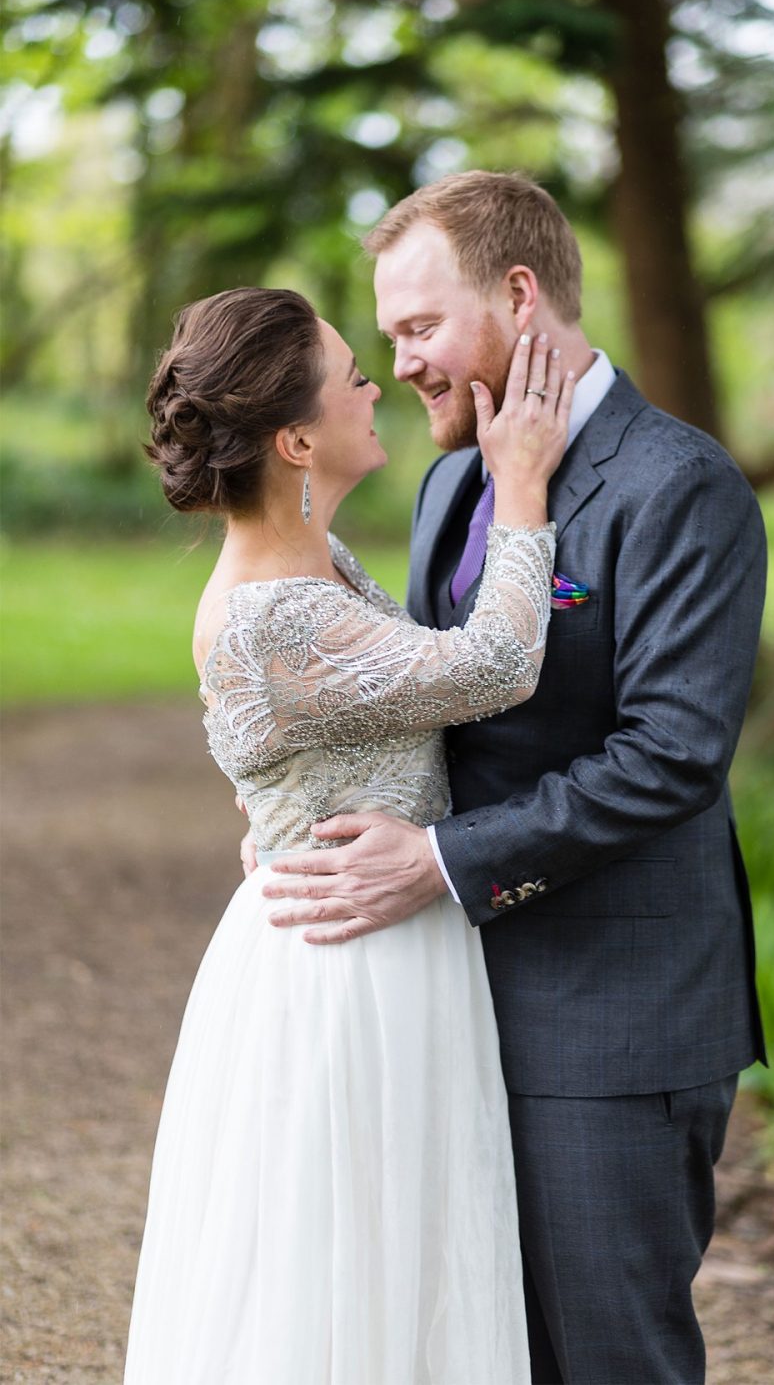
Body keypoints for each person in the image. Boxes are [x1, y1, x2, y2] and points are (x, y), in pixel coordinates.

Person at [260, 171, 768, 1385]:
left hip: (612, 1021)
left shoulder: (678, 485)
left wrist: (440, 862)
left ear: (520, 294)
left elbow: (672, 755)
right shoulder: (452, 483)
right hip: (453, 1006)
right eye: (389, 337)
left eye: (419, 328)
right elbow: (437, 711)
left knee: (608, 1359)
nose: (402, 364)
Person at [123, 284, 575, 1384]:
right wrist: (521, 485)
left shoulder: (309, 563)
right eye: (353, 377)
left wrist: (283, 806)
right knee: (341, 1271)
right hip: (345, 971)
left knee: (397, 1262)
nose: (378, 386)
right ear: (295, 440)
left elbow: (331, 733)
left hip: (380, 932)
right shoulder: (276, 609)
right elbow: (495, 666)